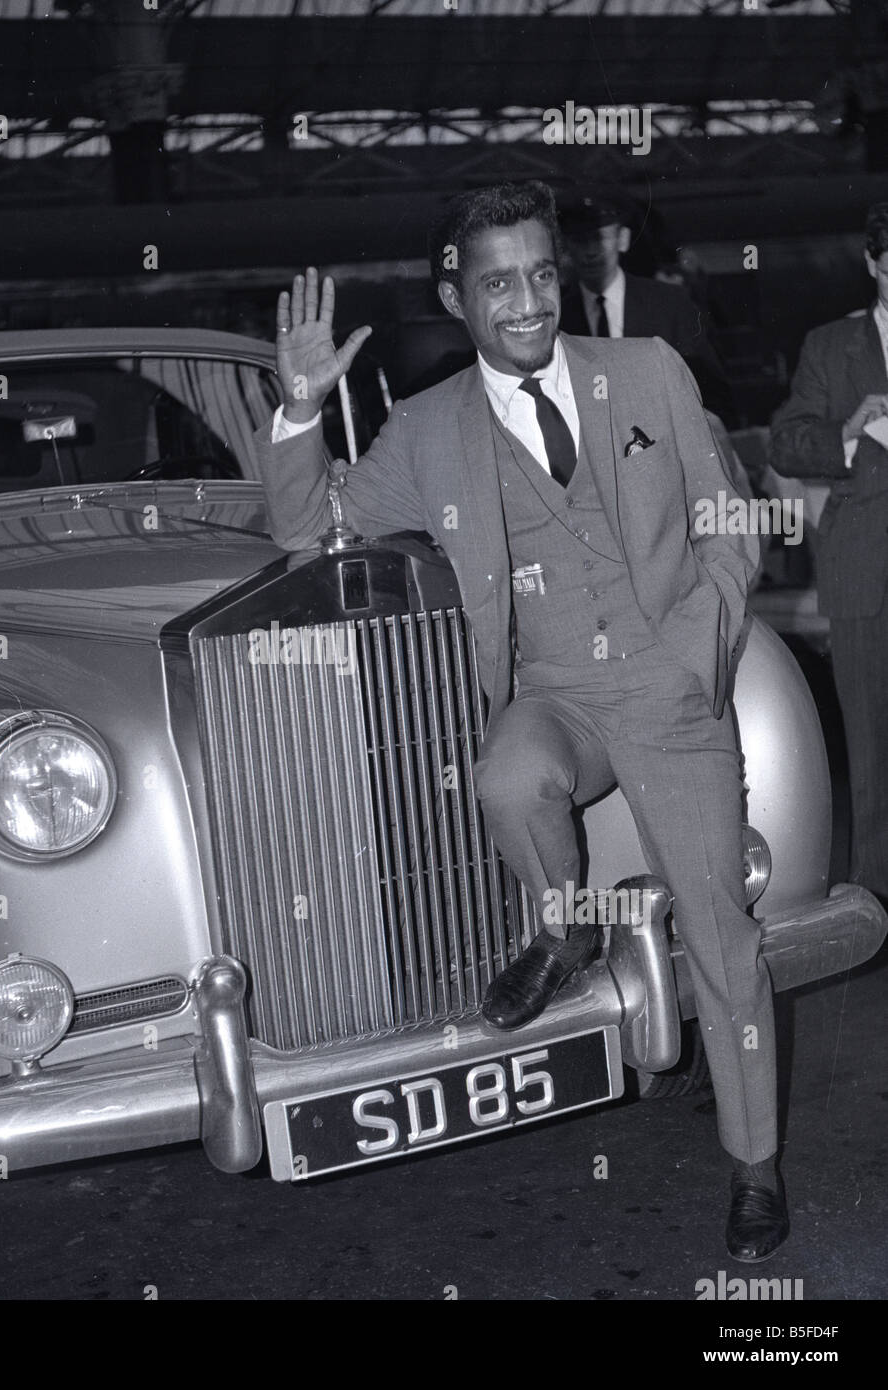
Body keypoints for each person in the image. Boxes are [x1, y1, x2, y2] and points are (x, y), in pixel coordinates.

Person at [256, 181, 786, 1263]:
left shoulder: (644, 371)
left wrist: (702, 643)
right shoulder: (427, 428)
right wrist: (300, 409)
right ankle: (566, 926)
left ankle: (754, 1162)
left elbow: (726, 513)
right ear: (455, 295)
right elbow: (312, 533)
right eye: (497, 281)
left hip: (665, 687)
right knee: (504, 778)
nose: (528, 301)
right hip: (549, 690)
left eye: (541, 273)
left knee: (722, 936)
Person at [769, 202, 888, 908]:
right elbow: (785, 442)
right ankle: (874, 905)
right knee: (870, 750)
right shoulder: (829, 345)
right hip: (863, 568)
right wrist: (845, 434)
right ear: (874, 263)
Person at [559, 193, 735, 426]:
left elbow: (711, 389)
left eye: (599, 238)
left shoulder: (669, 304)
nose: (591, 251)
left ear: (623, 239)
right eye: (580, 241)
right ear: (567, 246)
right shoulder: (558, 315)